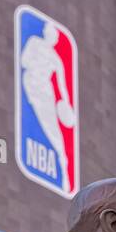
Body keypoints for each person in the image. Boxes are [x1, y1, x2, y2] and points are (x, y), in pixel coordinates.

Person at [19, 20, 72, 194]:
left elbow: (62, 85)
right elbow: (24, 61)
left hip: (45, 94)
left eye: (54, 35)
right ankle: (63, 163)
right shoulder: (34, 42)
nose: (52, 37)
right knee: (47, 128)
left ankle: (64, 165)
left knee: (54, 131)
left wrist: (65, 105)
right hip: (33, 87)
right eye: (50, 33)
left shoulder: (56, 59)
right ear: (45, 33)